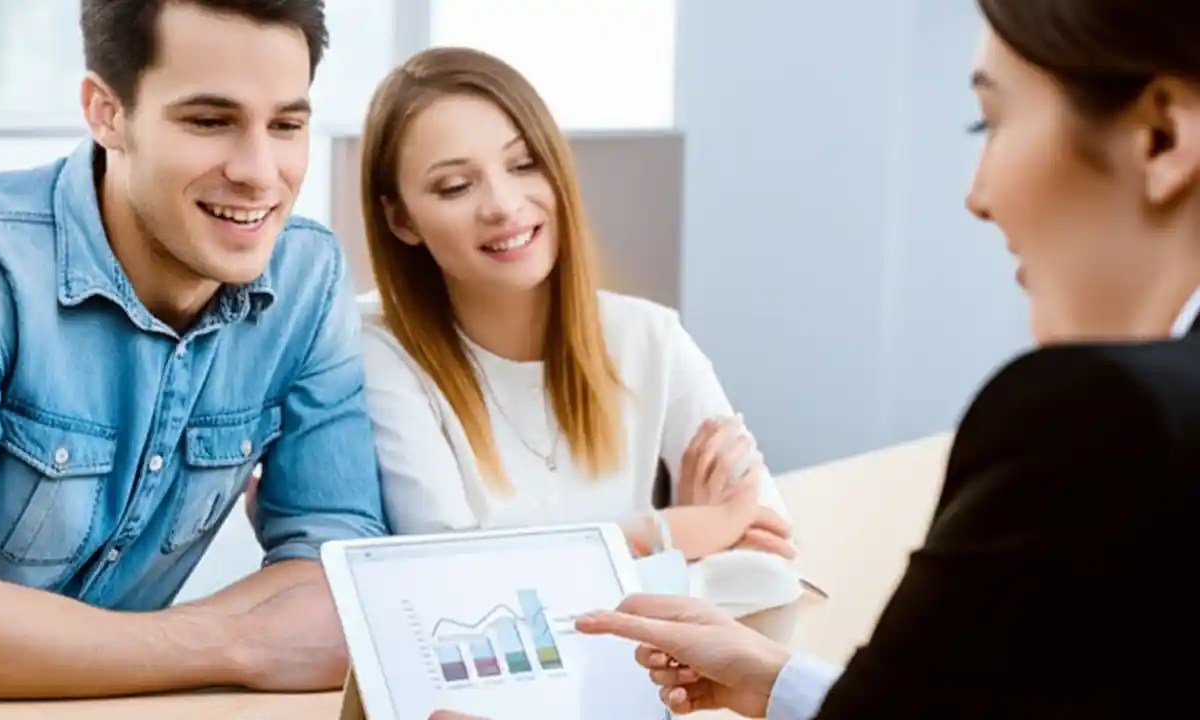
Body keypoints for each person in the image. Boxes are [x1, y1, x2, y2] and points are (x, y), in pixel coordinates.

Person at [572, 0, 1199, 717]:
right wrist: (776, 679)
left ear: (1161, 136)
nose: (977, 196)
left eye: (990, 122)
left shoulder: (1098, 417)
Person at [0, 0, 386, 700]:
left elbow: (338, 578)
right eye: (209, 121)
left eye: (286, 124)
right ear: (106, 112)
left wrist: (1, 639)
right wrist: (236, 642)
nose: (261, 173)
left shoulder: (303, 280)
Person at [351, 46, 797, 592]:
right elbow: (457, 578)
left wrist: (674, 546)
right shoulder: (377, 351)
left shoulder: (650, 339)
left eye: (523, 164)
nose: (503, 204)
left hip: (650, 675)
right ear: (401, 219)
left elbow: (768, 562)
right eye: (455, 186)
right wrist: (675, 536)